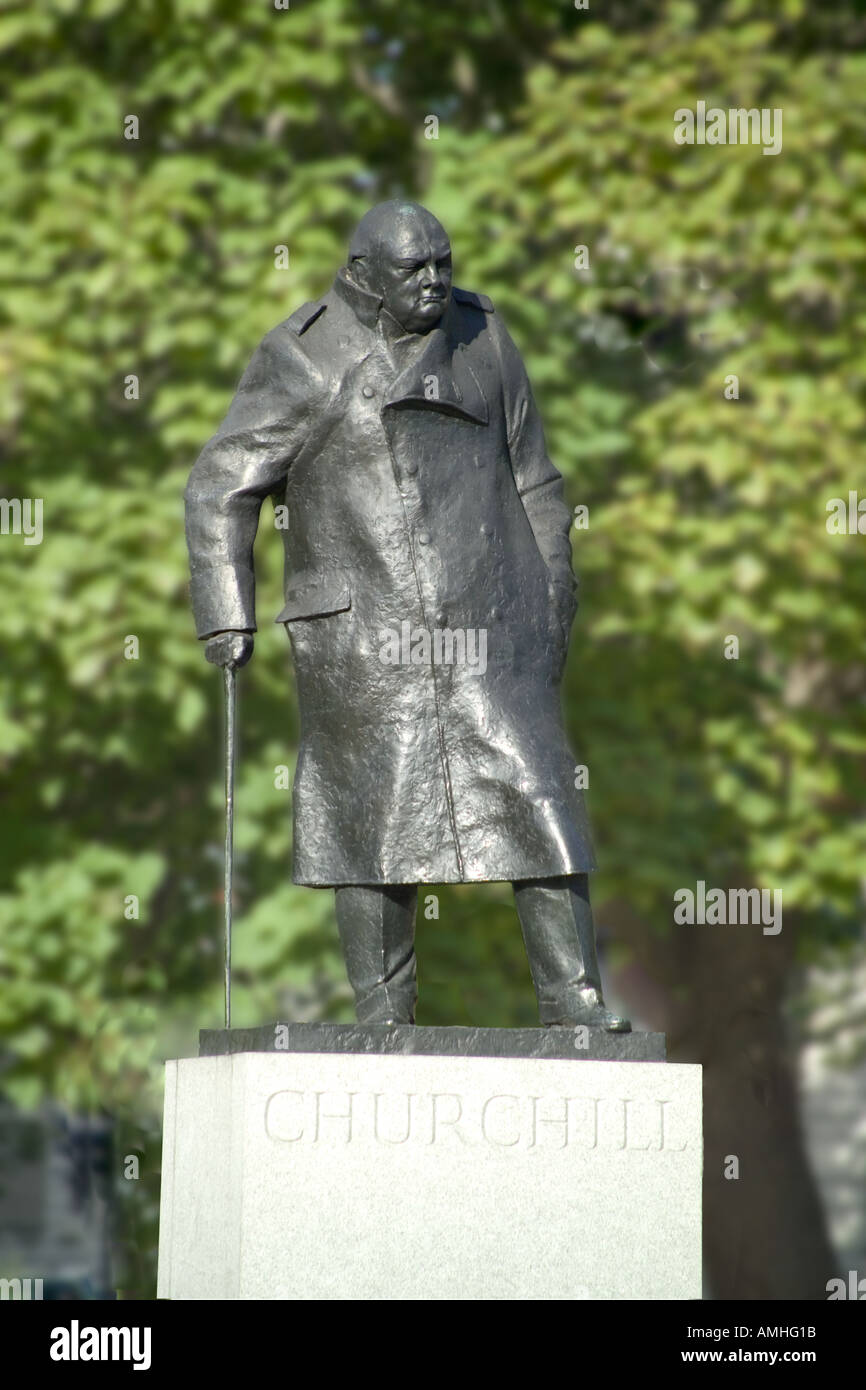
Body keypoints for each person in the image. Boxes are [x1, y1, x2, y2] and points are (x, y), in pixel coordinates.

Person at [185, 199, 630, 1032]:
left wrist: (552, 591)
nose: (434, 282)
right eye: (413, 271)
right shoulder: (303, 357)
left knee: (539, 802)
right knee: (372, 823)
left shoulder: (485, 337)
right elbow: (221, 484)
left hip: (493, 618)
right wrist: (225, 613)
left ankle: (575, 1004)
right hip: (364, 630)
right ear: (362, 277)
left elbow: (534, 473)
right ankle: (382, 1017)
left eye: (443, 264)